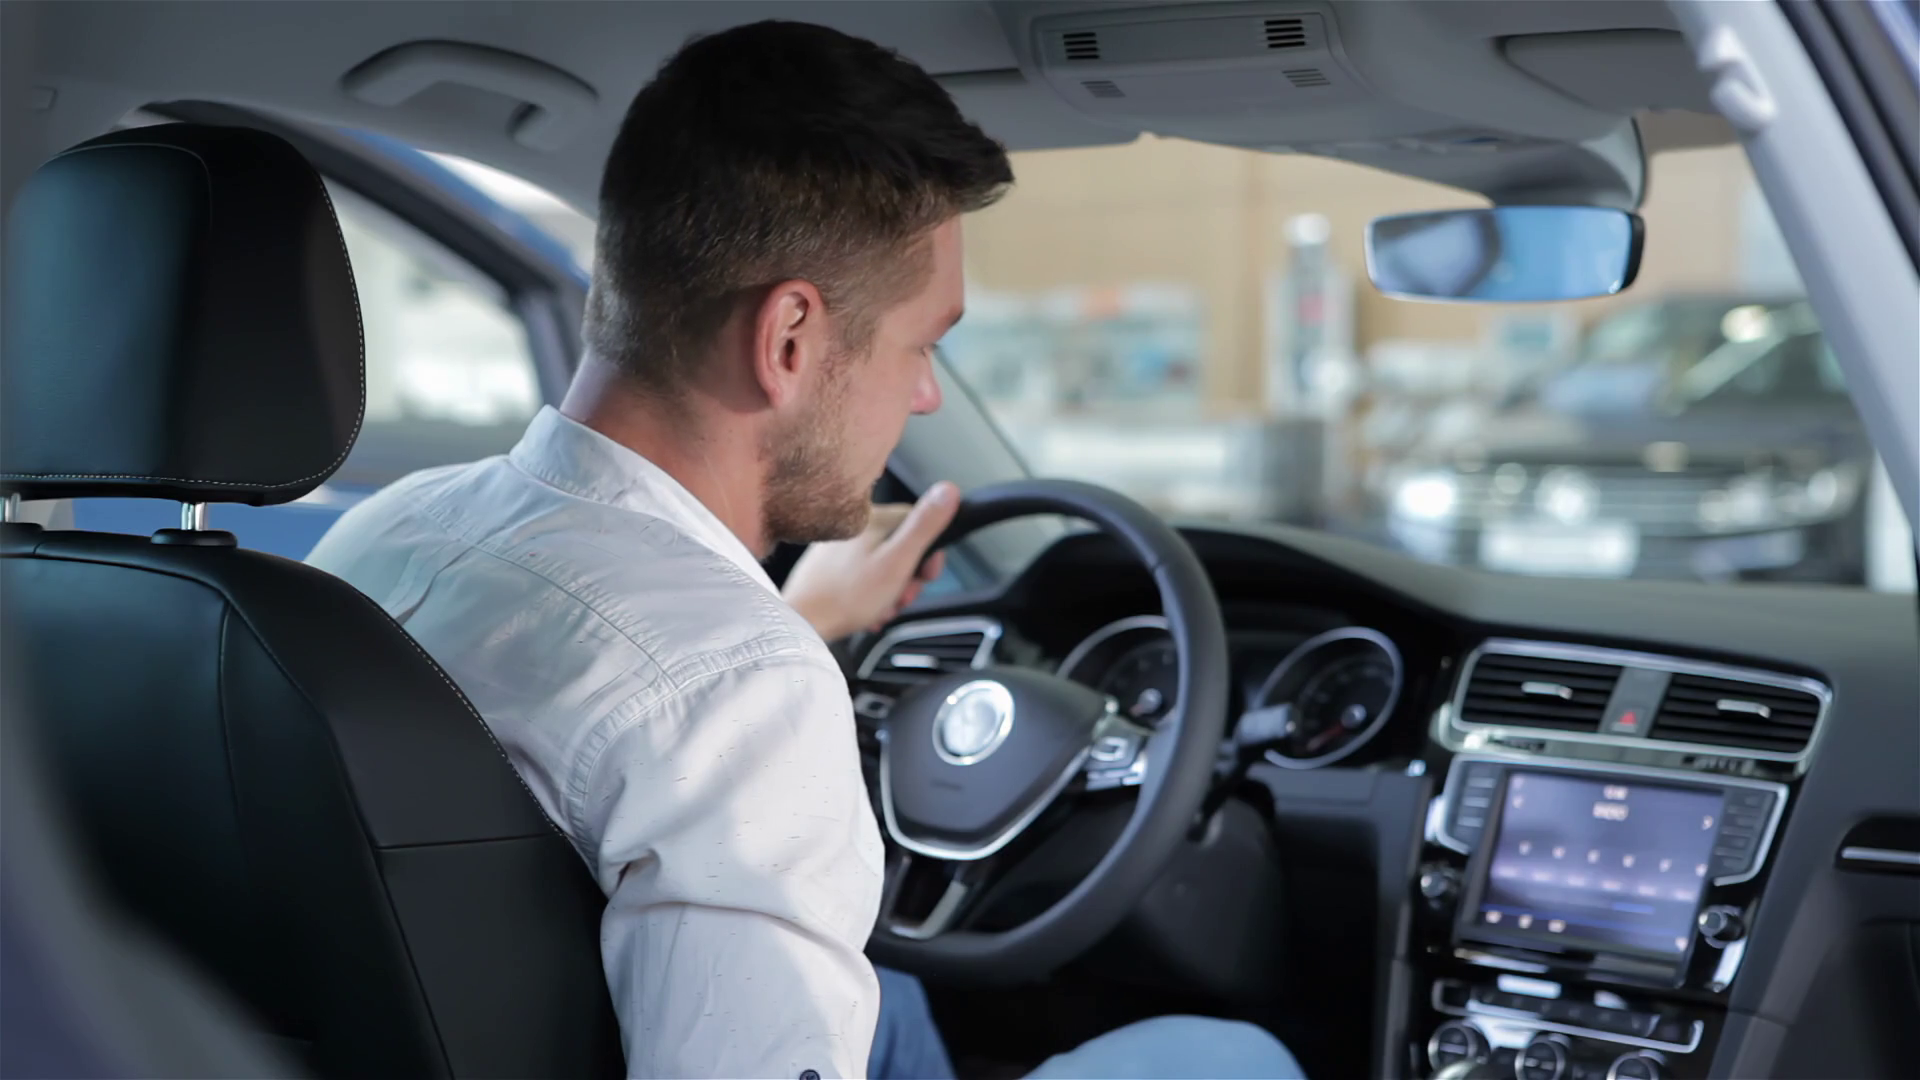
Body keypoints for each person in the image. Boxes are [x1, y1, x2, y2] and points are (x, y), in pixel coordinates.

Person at [308, 19, 1305, 1080]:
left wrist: (802, 621)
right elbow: (693, 707)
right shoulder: (745, 696)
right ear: (789, 341)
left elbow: (618, 721)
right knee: (1225, 1055)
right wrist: (771, 655)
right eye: (922, 344)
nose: (925, 394)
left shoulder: (389, 531)